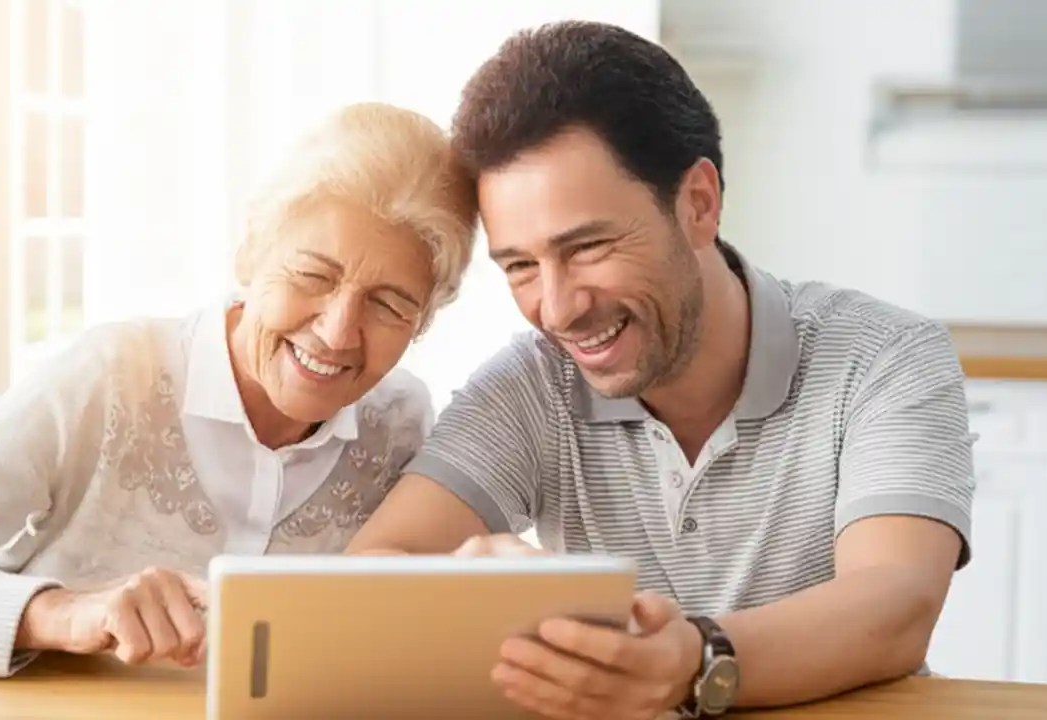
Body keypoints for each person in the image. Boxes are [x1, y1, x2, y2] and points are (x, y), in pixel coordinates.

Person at [348, 21, 975, 719]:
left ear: (698, 204)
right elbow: (375, 565)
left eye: (587, 246)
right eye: (521, 266)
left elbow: (895, 603)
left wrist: (696, 658)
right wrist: (458, 585)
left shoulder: (884, 357)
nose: (557, 308)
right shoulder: (530, 387)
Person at [0, 102, 477, 678]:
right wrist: (58, 613)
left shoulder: (401, 422)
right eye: (312, 274)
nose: (338, 333)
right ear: (251, 250)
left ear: (424, 322)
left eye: (390, 304)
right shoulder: (113, 376)